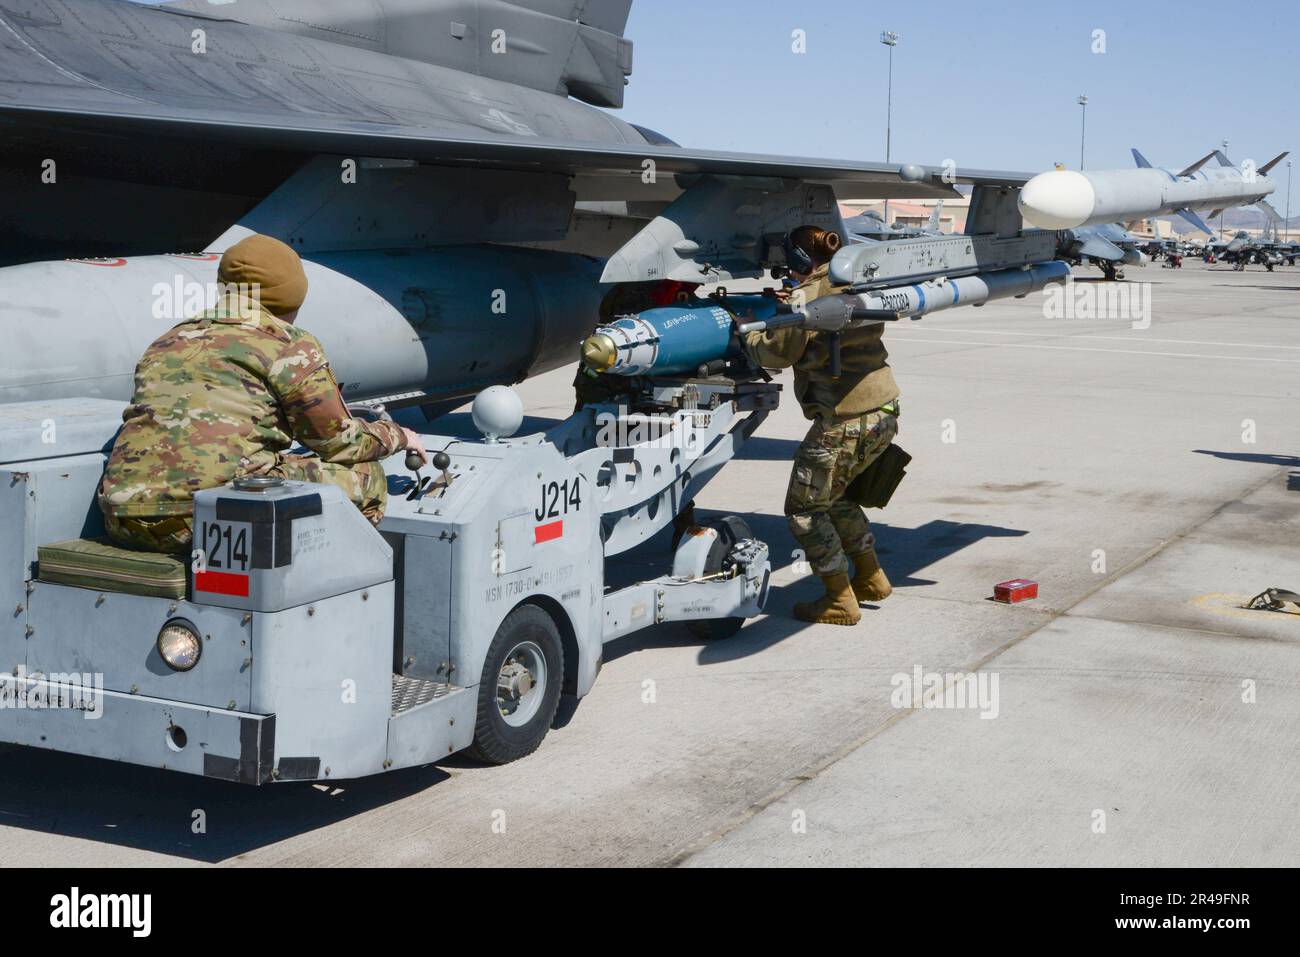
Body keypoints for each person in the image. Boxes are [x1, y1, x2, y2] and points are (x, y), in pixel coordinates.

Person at [98, 233, 427, 553]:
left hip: (123, 519)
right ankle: (319, 584)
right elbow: (339, 443)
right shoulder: (288, 345)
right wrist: (398, 435)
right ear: (290, 295)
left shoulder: (167, 341)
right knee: (366, 477)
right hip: (211, 518)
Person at [741, 226, 900, 626]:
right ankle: (871, 577)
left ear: (797, 259)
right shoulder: (853, 278)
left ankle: (838, 599)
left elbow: (779, 355)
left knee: (803, 510)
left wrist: (749, 333)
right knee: (838, 497)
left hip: (843, 420)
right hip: (883, 408)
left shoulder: (808, 296)